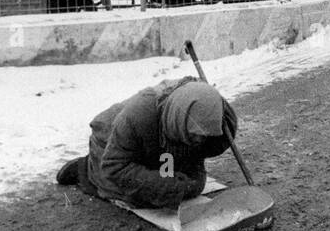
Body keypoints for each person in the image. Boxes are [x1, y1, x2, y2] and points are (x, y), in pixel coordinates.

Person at [56, 77, 237, 207]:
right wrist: (168, 186)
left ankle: (156, 171)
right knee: (139, 195)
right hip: (109, 141)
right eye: (196, 134)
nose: (200, 140)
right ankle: (85, 169)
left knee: (186, 185)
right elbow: (115, 168)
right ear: (180, 123)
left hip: (158, 145)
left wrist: (186, 183)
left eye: (204, 135)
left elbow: (198, 155)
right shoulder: (138, 116)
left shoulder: (205, 114)